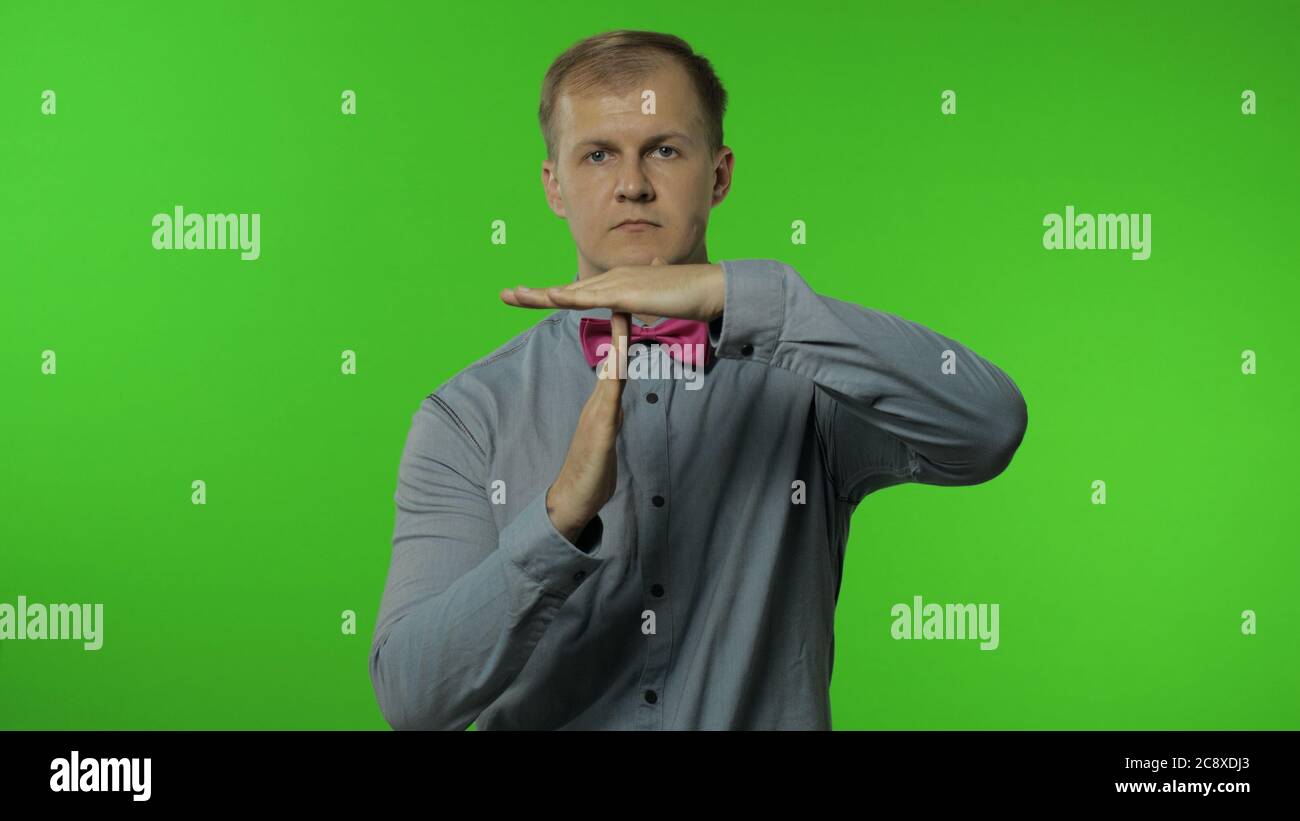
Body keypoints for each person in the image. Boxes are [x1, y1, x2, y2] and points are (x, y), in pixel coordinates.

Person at [368, 29, 1027, 730]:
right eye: (598, 154)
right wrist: (558, 516)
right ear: (553, 185)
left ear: (719, 174)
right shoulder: (467, 415)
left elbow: (989, 428)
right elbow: (413, 700)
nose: (632, 184)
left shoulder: (809, 385)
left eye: (664, 149)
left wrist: (743, 295)